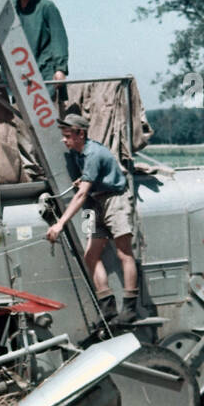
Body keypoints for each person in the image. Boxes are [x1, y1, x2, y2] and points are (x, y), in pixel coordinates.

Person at [44, 110, 139, 324]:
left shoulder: (93, 153)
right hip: (96, 202)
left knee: (124, 253)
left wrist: (60, 224)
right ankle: (108, 308)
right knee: (91, 255)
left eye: (68, 135)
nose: (64, 139)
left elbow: (81, 195)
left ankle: (130, 308)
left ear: (80, 134)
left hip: (114, 200)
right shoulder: (79, 153)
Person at [10, 0, 69, 84]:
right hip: (19, 73)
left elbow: (59, 39)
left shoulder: (46, 7)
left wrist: (60, 69)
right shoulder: (10, 8)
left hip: (44, 71)